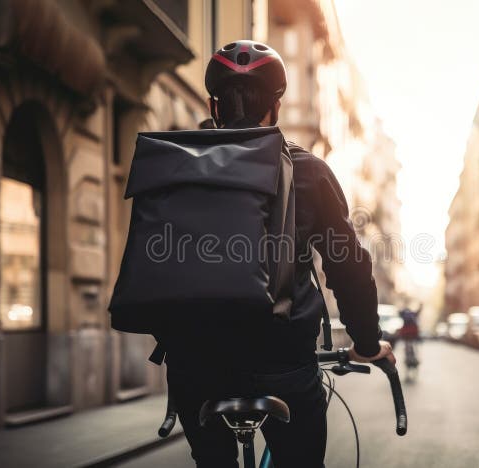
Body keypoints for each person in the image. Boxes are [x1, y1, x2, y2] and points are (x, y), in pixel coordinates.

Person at [157, 40, 393, 468]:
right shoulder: (308, 172)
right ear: (277, 107)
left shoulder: (176, 167)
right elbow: (348, 266)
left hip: (196, 363)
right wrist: (366, 341)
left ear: (213, 105)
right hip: (283, 362)